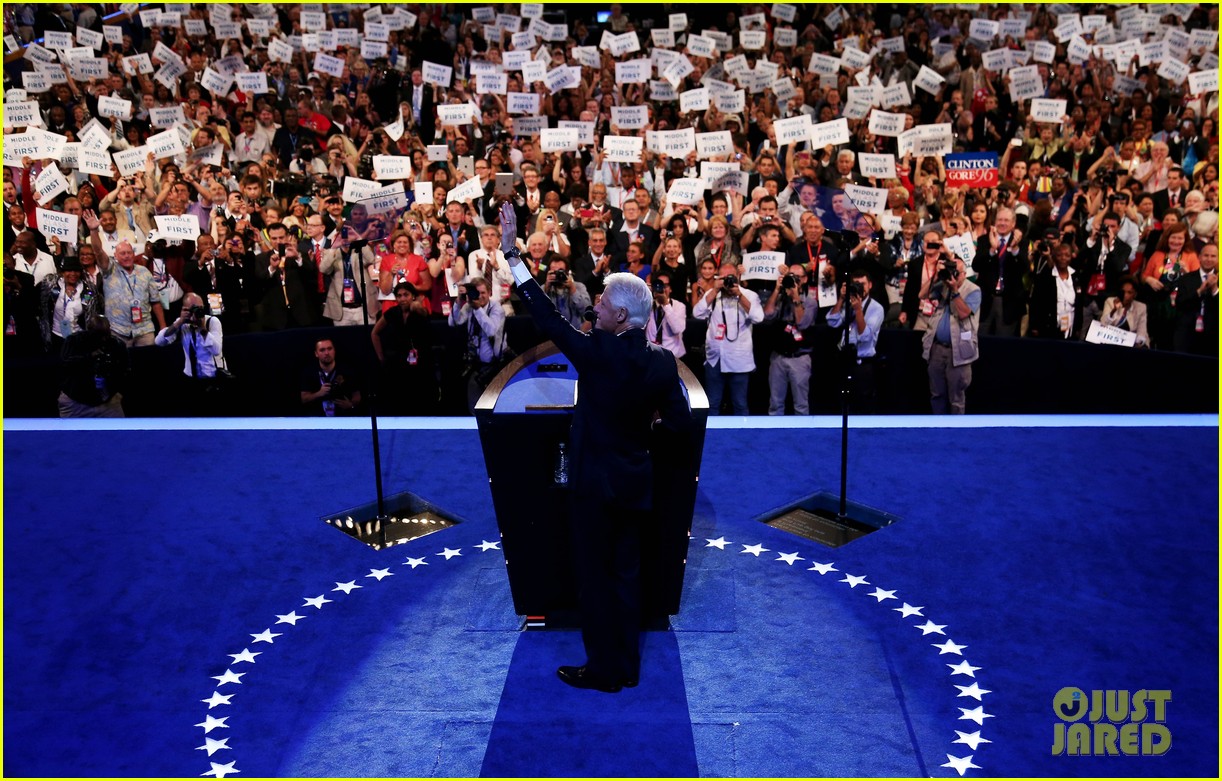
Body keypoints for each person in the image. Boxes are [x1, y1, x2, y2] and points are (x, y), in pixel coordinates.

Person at [498, 200, 692, 694]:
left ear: (622, 315)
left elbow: (545, 317)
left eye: (602, 302)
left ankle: (604, 670)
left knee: (595, 579)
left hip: (592, 487)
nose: (594, 307)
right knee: (627, 575)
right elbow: (679, 422)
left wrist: (512, 256)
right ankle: (627, 665)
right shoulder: (662, 363)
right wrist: (643, 434)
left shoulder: (597, 351)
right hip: (633, 483)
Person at [692, 261, 764, 415]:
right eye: (723, 277)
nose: (727, 281)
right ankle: (711, 439)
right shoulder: (713, 294)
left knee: (740, 404)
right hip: (715, 359)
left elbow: (758, 317)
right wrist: (714, 289)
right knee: (712, 404)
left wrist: (739, 295)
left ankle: (743, 438)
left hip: (739, 360)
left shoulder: (749, 295)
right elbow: (697, 313)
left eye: (730, 277)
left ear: (738, 276)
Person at [922, 256, 981, 415]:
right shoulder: (943, 285)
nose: (953, 276)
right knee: (937, 394)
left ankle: (957, 431)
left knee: (956, 397)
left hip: (959, 350)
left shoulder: (973, 289)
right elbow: (922, 295)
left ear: (964, 273)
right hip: (937, 349)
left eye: (956, 273)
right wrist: (935, 276)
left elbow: (963, 313)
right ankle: (938, 429)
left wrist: (955, 291)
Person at [154, 292, 228, 413]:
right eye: (192, 309)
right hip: (191, 380)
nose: (197, 313)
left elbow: (216, 350)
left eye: (199, 309)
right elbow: (159, 341)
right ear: (185, 309)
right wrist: (179, 322)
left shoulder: (212, 322)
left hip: (214, 378)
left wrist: (202, 328)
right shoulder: (183, 324)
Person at [371, 282, 438, 414]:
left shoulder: (419, 310)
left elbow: (426, 319)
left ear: (413, 296)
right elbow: (374, 333)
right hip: (398, 365)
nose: (402, 299)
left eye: (406, 295)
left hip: (421, 365)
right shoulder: (392, 313)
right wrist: (381, 357)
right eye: (399, 296)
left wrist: (418, 308)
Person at [826, 266, 884, 412]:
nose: (859, 288)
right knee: (843, 405)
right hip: (844, 361)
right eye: (855, 284)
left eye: (862, 284)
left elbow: (865, 336)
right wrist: (840, 299)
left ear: (870, 285)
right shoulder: (848, 303)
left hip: (863, 364)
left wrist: (858, 310)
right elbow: (832, 322)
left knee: (863, 407)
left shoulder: (876, 308)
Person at [763, 262, 817, 415]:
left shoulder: (810, 302)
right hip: (778, 357)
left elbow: (802, 323)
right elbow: (767, 315)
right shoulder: (780, 299)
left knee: (801, 406)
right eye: (790, 277)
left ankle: (802, 437)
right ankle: (775, 437)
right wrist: (776, 290)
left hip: (799, 358)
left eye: (797, 277)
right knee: (775, 405)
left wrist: (795, 297)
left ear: (805, 279)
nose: (793, 280)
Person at [449, 276, 508, 411]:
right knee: (475, 408)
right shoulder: (469, 306)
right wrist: (459, 300)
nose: (480, 297)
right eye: (477, 293)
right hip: (476, 366)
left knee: (495, 407)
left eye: (483, 293)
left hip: (495, 366)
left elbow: (491, 330)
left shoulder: (496, 308)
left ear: (489, 293)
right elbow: (453, 322)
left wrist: (477, 309)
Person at [58, 313, 129, 418]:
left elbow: (125, 369)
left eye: (106, 334)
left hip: (108, 403)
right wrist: (89, 357)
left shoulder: (116, 344)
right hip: (76, 403)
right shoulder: (73, 342)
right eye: (99, 335)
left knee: (121, 433)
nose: (104, 339)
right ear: (89, 330)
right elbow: (65, 364)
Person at [97, 240, 167, 347]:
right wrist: (93, 231)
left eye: (129, 253)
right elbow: (98, 251)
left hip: (145, 330)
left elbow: (155, 302)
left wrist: (163, 327)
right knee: (121, 363)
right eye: (122, 253)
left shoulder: (144, 272)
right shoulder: (109, 270)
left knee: (147, 363)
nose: (126, 256)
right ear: (115, 255)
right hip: (118, 330)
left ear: (133, 254)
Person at [1027, 243, 1084, 340]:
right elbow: (1036, 302)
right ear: (1054, 257)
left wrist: (1078, 327)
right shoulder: (1045, 276)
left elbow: (1079, 304)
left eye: (1067, 255)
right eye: (1059, 255)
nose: (1063, 258)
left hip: (1070, 326)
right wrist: (1034, 325)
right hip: (1049, 326)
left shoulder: (1076, 277)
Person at [1172, 243, 1218, 355]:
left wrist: (1215, 290)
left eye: (1213, 256)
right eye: (1206, 255)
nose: (1209, 259)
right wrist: (1199, 291)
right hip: (1186, 334)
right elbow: (1180, 304)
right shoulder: (1187, 278)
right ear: (1199, 257)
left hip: (1212, 337)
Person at [300, 337, 362, 417]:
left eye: (329, 349)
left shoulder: (347, 370)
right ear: (316, 354)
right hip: (317, 417)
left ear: (334, 350)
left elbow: (357, 395)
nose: (327, 353)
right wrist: (319, 393)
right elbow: (304, 399)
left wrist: (351, 405)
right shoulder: (309, 372)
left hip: (343, 417)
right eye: (322, 350)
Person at [1098, 275, 1151, 348]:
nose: (1125, 295)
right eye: (1123, 291)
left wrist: (1137, 341)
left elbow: (1142, 332)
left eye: (1129, 292)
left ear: (1135, 294)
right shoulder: (1110, 301)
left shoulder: (1141, 307)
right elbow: (1103, 324)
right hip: (1110, 343)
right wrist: (1114, 310)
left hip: (1131, 346)